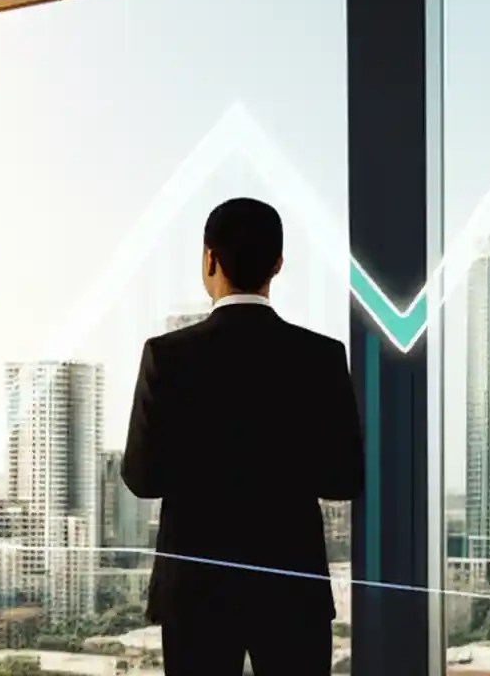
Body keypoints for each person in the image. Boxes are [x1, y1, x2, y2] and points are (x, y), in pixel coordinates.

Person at [122, 197, 364, 676]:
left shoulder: (167, 356)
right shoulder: (320, 357)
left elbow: (143, 478)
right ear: (278, 264)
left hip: (196, 593)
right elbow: (344, 479)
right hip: (291, 589)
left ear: (209, 259)